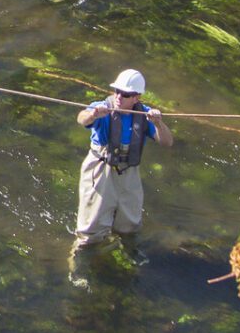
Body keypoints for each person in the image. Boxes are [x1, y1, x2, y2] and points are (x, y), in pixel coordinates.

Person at [73, 68, 174, 247]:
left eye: (125, 94)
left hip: (129, 171)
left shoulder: (145, 115)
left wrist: (158, 123)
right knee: (90, 233)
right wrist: (93, 114)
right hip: (100, 170)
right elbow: (81, 119)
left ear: (136, 97)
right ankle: (79, 263)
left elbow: (167, 142)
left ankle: (125, 256)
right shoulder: (102, 107)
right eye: (117, 91)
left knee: (130, 227)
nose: (119, 96)